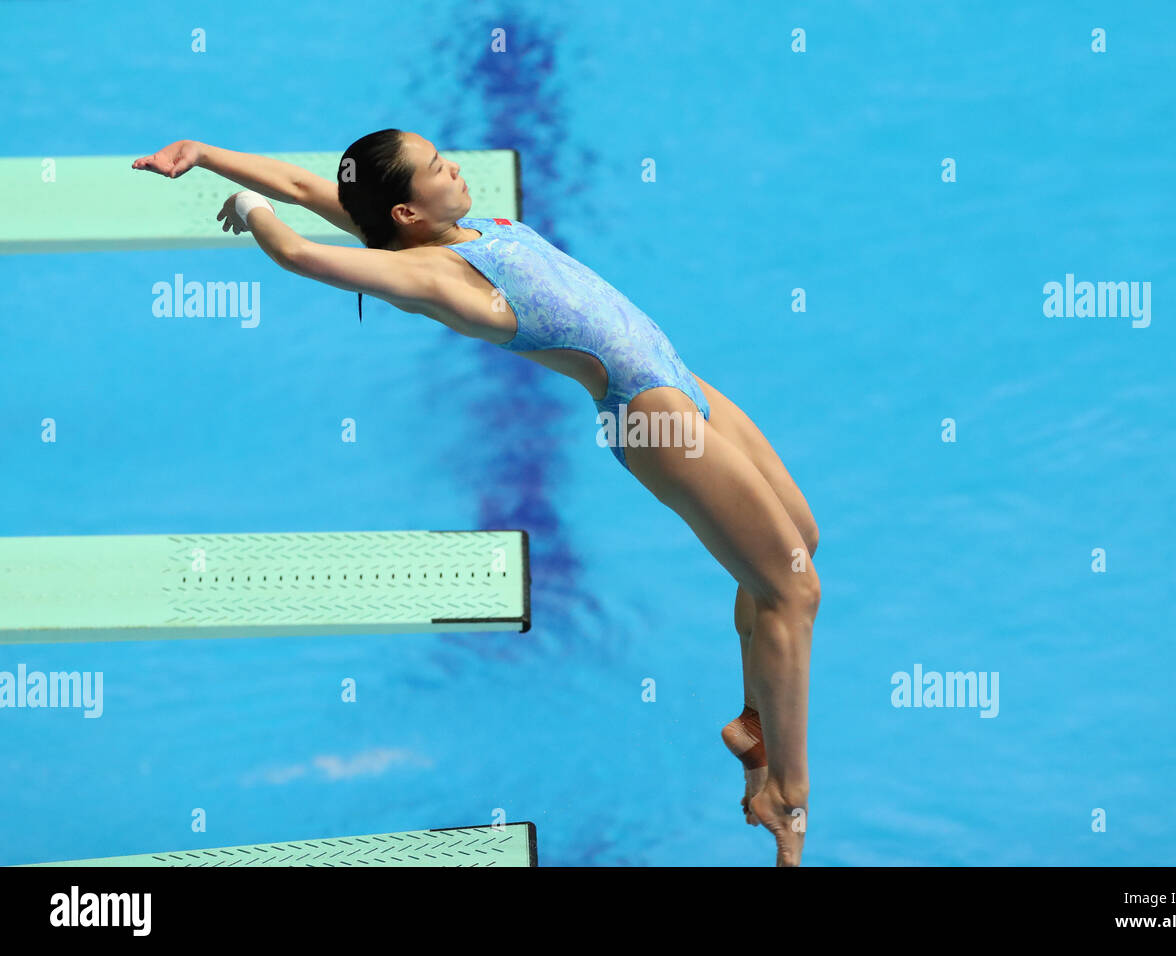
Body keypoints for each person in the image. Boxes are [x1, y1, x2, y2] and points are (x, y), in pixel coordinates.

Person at [133, 132, 820, 866]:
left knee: (798, 544)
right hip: (651, 413)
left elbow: (302, 189)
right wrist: (247, 209)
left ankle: (755, 721)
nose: (454, 166)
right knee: (791, 592)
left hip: (680, 380)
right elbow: (300, 250)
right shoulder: (440, 278)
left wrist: (206, 154)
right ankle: (785, 789)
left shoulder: (465, 229)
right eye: (436, 168)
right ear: (406, 211)